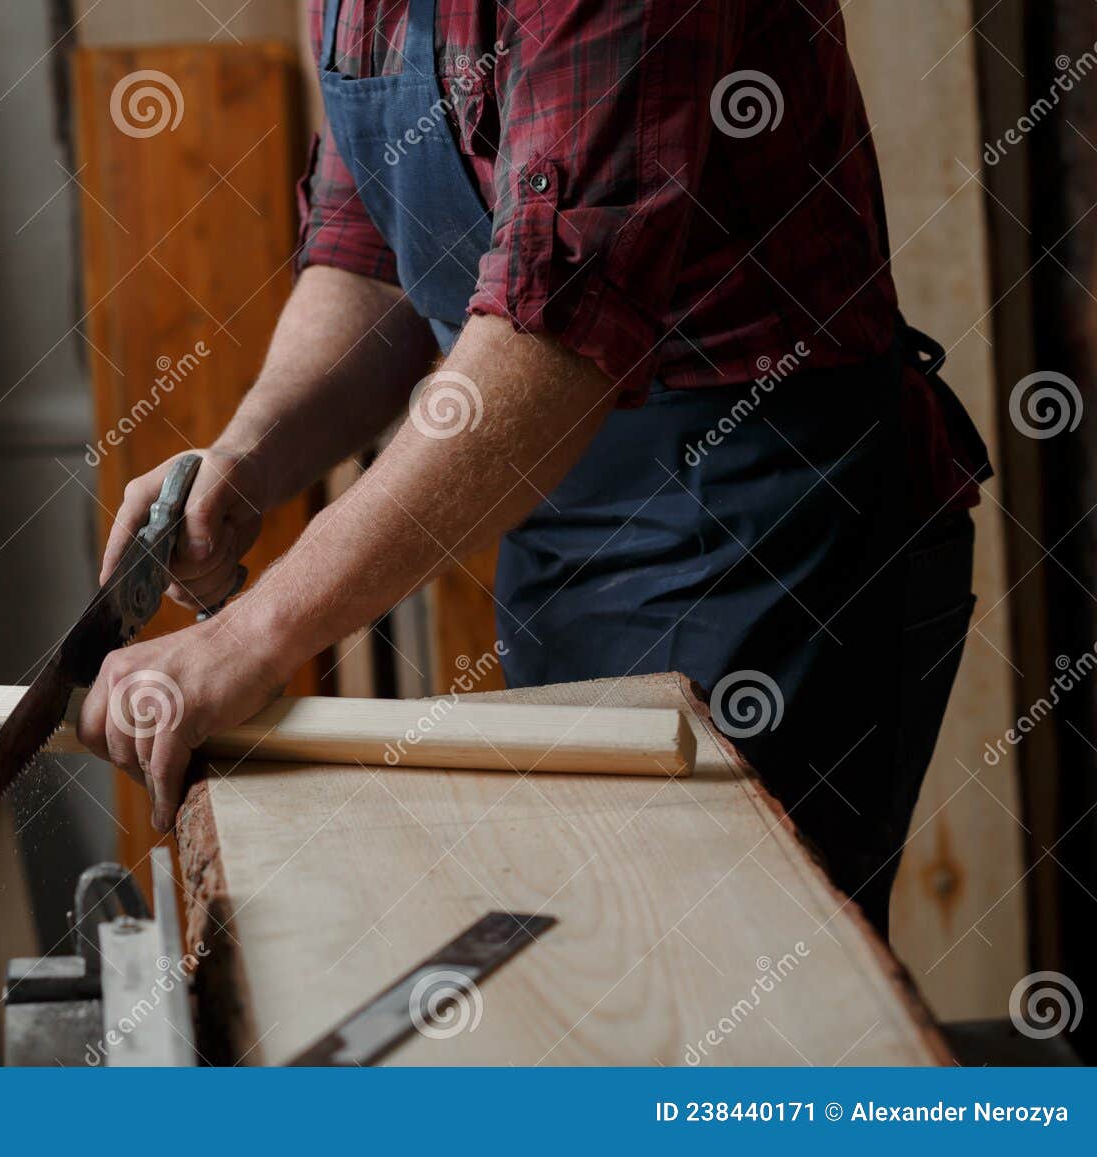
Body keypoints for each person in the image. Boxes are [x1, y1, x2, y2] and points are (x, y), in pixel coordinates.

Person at [75, 0, 989, 936]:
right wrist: (251, 455)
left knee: (731, 991)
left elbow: (555, 342)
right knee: (604, 958)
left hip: (768, 525)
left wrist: (247, 639)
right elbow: (373, 250)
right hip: (563, 527)